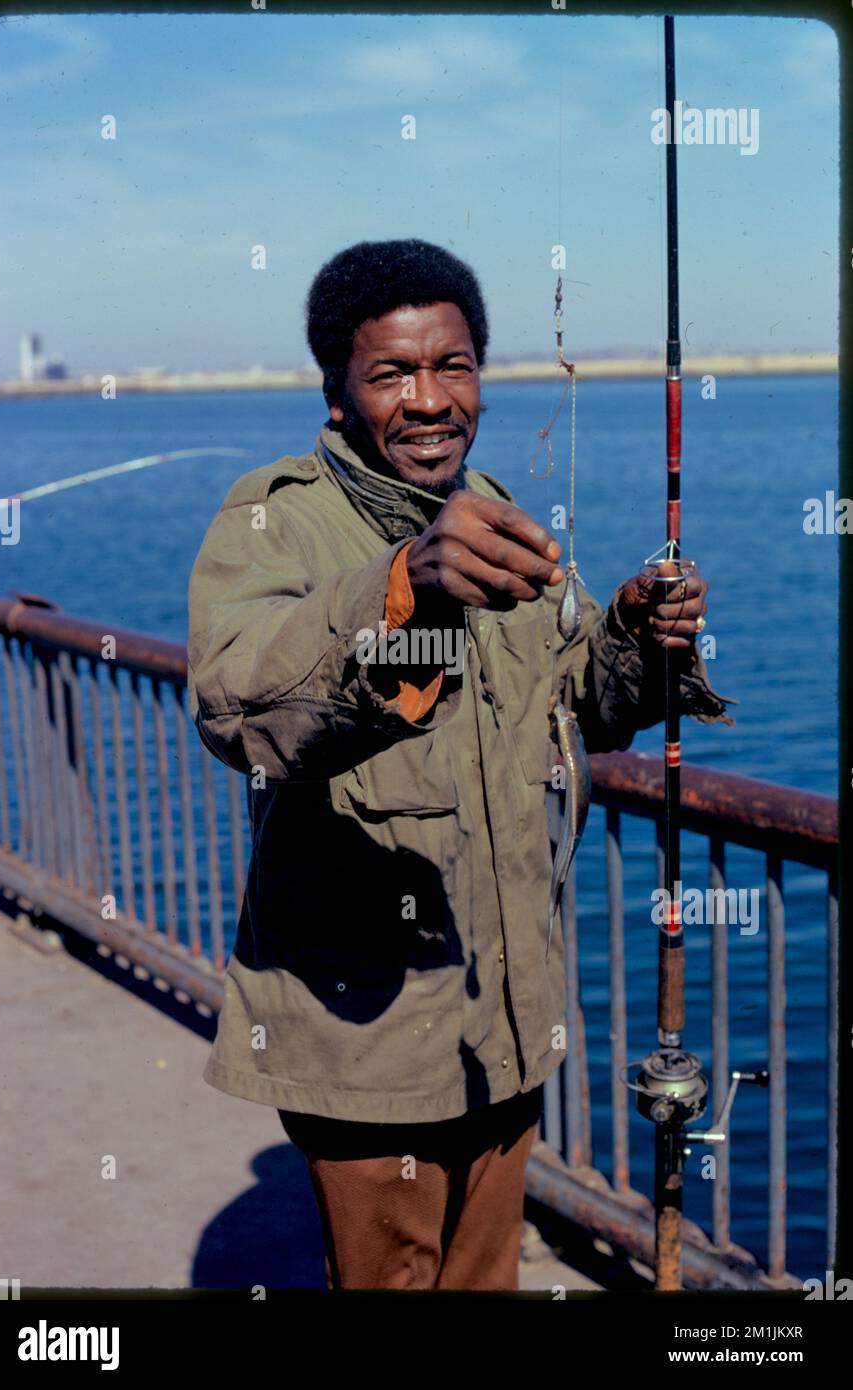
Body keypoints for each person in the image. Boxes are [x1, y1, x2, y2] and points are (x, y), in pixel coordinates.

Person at [187, 238, 731, 1291]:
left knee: (484, 1282)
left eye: (454, 366)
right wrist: (402, 589)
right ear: (339, 393)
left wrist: (631, 631)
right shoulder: (274, 516)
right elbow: (236, 703)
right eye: (392, 373)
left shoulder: (498, 509)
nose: (429, 399)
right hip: (367, 1039)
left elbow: (582, 704)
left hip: (507, 1017)